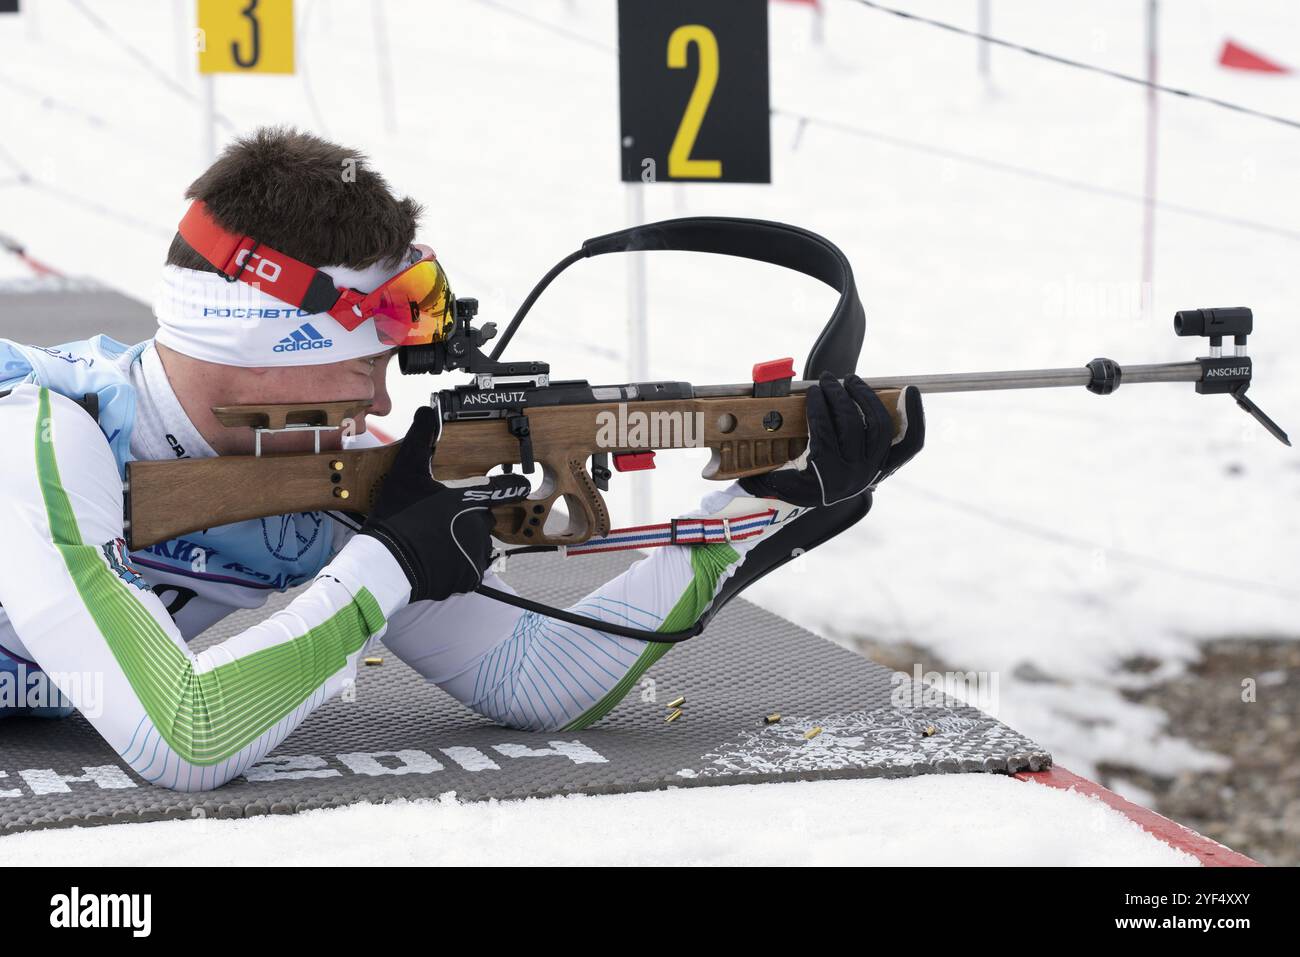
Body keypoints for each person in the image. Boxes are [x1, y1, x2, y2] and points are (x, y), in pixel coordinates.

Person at [0, 127, 925, 792]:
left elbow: (531, 678)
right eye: (366, 360)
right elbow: (185, 738)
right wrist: (384, 568)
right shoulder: (39, 431)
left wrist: (761, 506)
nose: (377, 401)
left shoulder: (315, 463)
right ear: (266, 341)